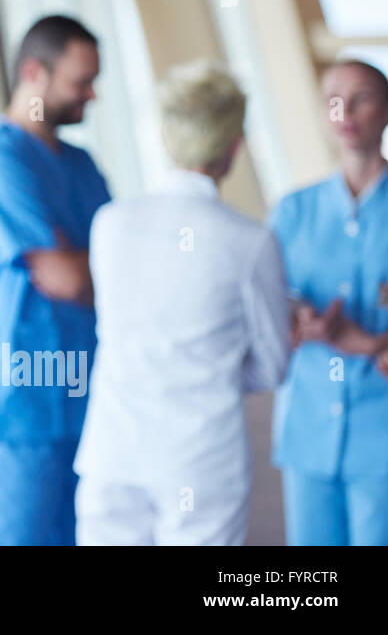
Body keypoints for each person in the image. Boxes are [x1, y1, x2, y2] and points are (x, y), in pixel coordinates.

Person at [74, 60, 290, 545]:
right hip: (200, 459)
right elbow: (273, 367)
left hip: (113, 455)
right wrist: (213, 365)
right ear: (234, 146)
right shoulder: (251, 242)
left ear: (165, 137)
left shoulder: (110, 223)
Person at [0, 14, 111, 545]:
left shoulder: (82, 164)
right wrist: (86, 264)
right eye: (81, 82)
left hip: (82, 393)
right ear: (33, 73)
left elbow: (118, 266)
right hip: (18, 400)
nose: (92, 95)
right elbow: (67, 278)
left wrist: (84, 263)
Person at [271, 58, 388, 545]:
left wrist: (373, 343)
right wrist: (299, 316)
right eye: (333, 100)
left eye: (361, 97)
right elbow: (267, 298)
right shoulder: (293, 211)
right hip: (308, 429)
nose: (345, 111)